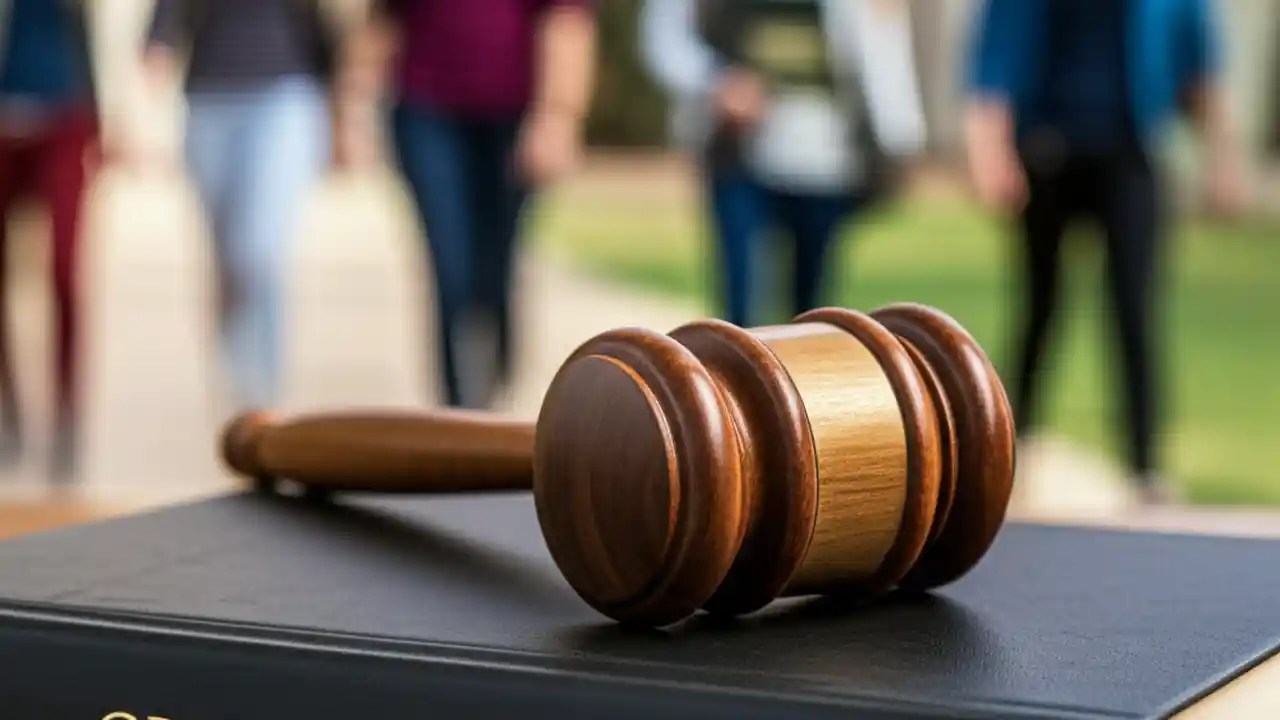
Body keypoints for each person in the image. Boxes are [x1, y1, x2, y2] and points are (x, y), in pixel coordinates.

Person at [966, 0, 1246, 501]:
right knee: (1038, 310)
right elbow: (998, 56)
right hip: (1049, 147)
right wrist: (991, 150)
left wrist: (1223, 158)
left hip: (1132, 154)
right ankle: (1011, 450)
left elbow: (1200, 63)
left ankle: (1144, 467)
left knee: (1135, 313)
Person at [336, 0, 597, 410]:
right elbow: (383, 21)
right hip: (426, 112)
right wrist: (350, 109)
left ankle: (496, 382)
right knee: (448, 266)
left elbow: (566, 19)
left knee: (496, 269)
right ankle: (458, 406)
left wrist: (558, 117)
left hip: (514, 116)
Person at [641, 0, 925, 327]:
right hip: (739, 153)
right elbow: (665, 36)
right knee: (739, 306)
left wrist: (901, 138)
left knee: (811, 311)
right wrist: (718, 83)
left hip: (826, 161)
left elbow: (883, 51)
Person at [143, 0, 344, 410]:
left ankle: (264, 394)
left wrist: (342, 109)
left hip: (286, 92)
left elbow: (326, 22)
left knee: (259, 250)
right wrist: (159, 46)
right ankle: (235, 378)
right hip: (209, 98)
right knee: (228, 263)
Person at [0, 0, 98, 478]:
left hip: (64, 116)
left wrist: (99, 116)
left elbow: (86, 28)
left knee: (64, 269)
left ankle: (66, 412)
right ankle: (7, 409)